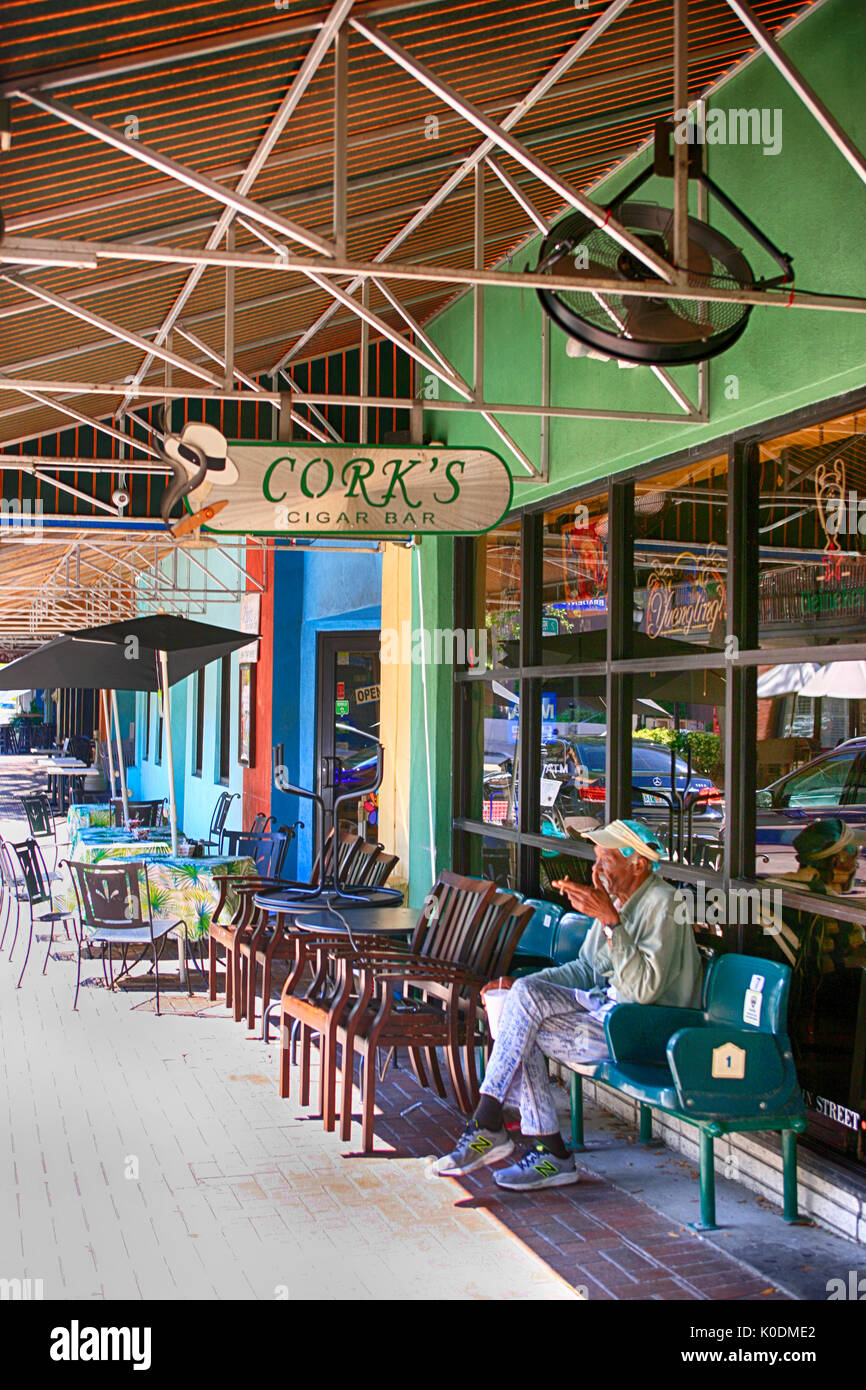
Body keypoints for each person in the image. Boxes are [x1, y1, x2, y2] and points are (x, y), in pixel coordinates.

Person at [432, 818, 703, 1191]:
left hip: (645, 1029)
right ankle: (539, 1147)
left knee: (519, 1019)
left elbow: (642, 992)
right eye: (595, 859)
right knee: (518, 1004)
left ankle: (496, 1126)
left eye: (606, 860)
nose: (595, 870)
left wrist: (611, 923)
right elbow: (586, 969)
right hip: (608, 1016)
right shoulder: (617, 900)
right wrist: (524, 983)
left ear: (637, 863)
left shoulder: (665, 903)